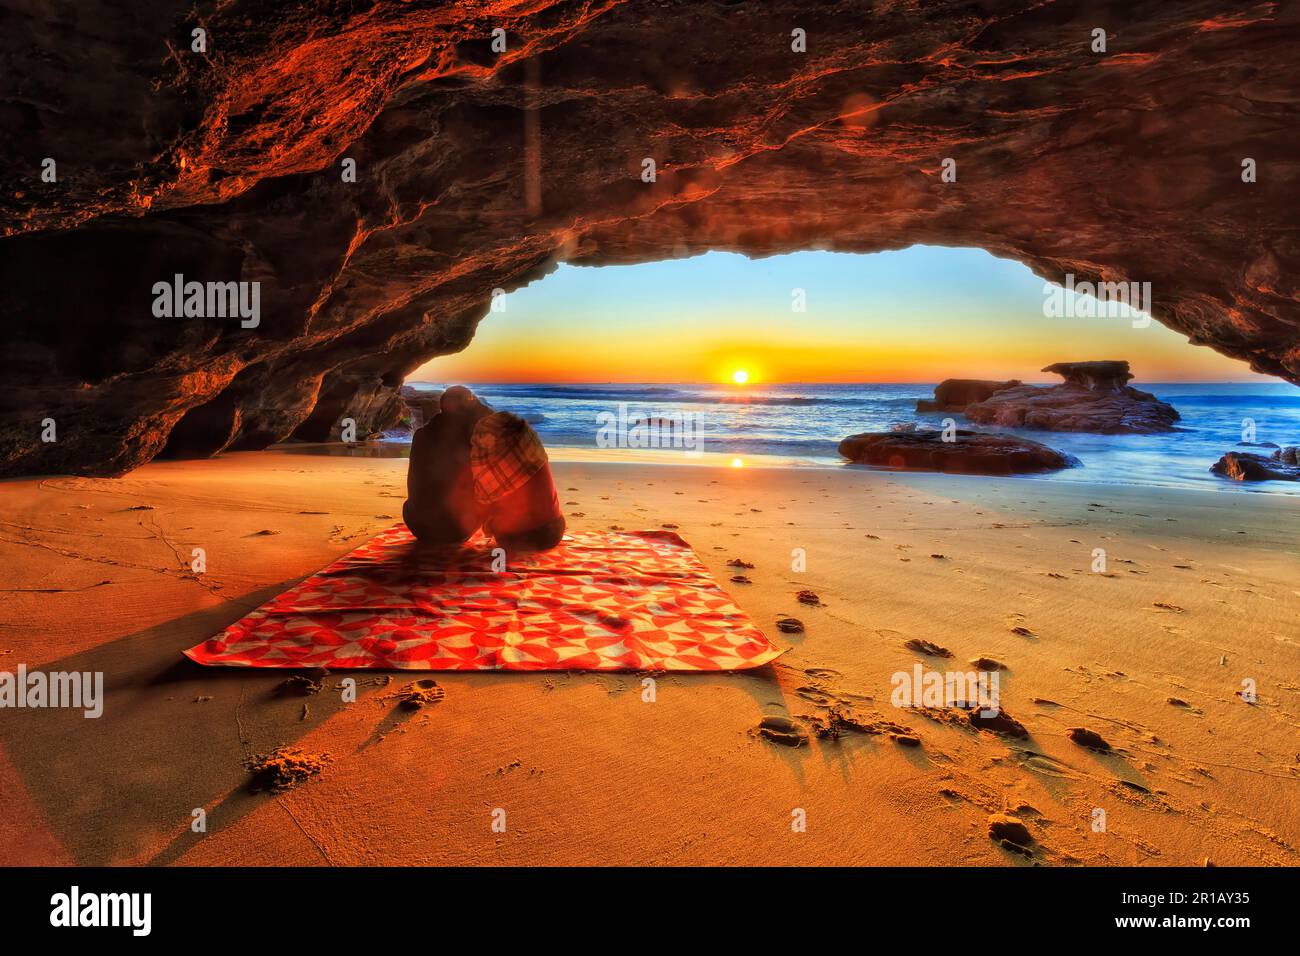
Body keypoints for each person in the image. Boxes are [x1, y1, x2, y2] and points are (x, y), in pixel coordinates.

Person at [402, 386, 494, 544]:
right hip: (457, 530)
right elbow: (493, 418)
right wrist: (476, 406)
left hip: (418, 524)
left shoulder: (421, 435)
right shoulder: (473, 440)